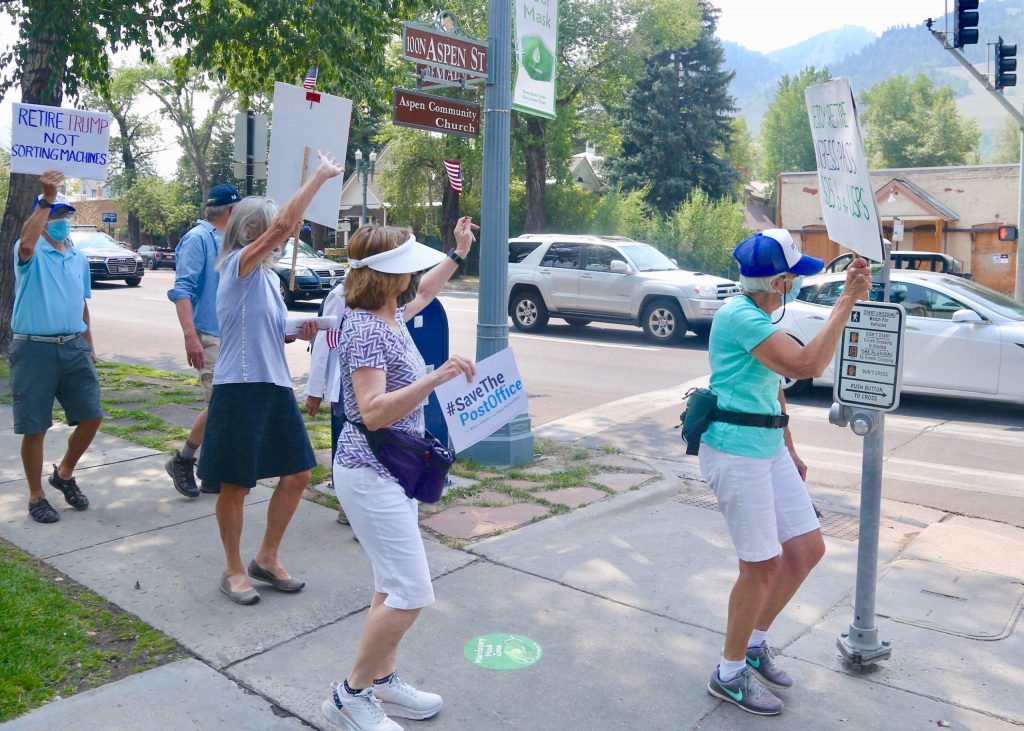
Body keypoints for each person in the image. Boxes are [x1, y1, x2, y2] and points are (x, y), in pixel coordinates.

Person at [700, 229, 871, 716]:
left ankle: (753, 643)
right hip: (736, 453)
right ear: (777, 283)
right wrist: (847, 300)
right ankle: (728, 673)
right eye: (793, 276)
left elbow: (774, 386)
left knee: (806, 549)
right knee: (761, 565)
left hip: (767, 446)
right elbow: (806, 363)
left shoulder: (758, 317)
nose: (797, 282)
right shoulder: (739, 316)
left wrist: (789, 449)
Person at [321, 218, 477, 731]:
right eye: (407, 266)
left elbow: (427, 290)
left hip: (391, 471)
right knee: (410, 591)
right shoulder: (367, 327)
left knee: (391, 585)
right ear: (389, 274)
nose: (414, 275)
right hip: (371, 472)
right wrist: (435, 378)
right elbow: (371, 413)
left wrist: (457, 253)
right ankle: (349, 696)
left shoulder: (389, 313)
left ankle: (382, 683)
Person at [197, 150, 343, 605]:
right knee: (237, 484)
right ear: (250, 231)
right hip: (240, 389)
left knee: (298, 474)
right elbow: (284, 225)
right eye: (275, 227)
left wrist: (300, 328)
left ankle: (266, 557)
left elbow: (263, 328)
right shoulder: (238, 264)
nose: (287, 233)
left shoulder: (266, 279)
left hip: (274, 386)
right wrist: (319, 177)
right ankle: (233, 569)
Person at [9, 171, 103, 524]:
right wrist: (46, 199)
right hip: (34, 349)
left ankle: (63, 474)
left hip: (73, 346)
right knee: (35, 426)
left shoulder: (77, 256)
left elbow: (81, 302)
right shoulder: (30, 252)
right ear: (41, 217)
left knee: (92, 416)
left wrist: (89, 344)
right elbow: (26, 245)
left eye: (65, 214)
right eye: (54, 213)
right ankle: (36, 495)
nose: (61, 220)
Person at [166, 183, 243, 498]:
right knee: (221, 405)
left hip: (232, 335)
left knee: (230, 406)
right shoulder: (198, 239)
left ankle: (212, 473)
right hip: (209, 335)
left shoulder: (232, 240)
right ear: (232, 210)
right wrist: (190, 336)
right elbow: (182, 289)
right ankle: (184, 460)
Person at [304, 281, 349, 525]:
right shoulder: (342, 293)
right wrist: (315, 390)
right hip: (346, 383)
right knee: (349, 444)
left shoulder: (391, 284)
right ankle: (347, 506)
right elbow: (323, 339)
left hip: (375, 378)